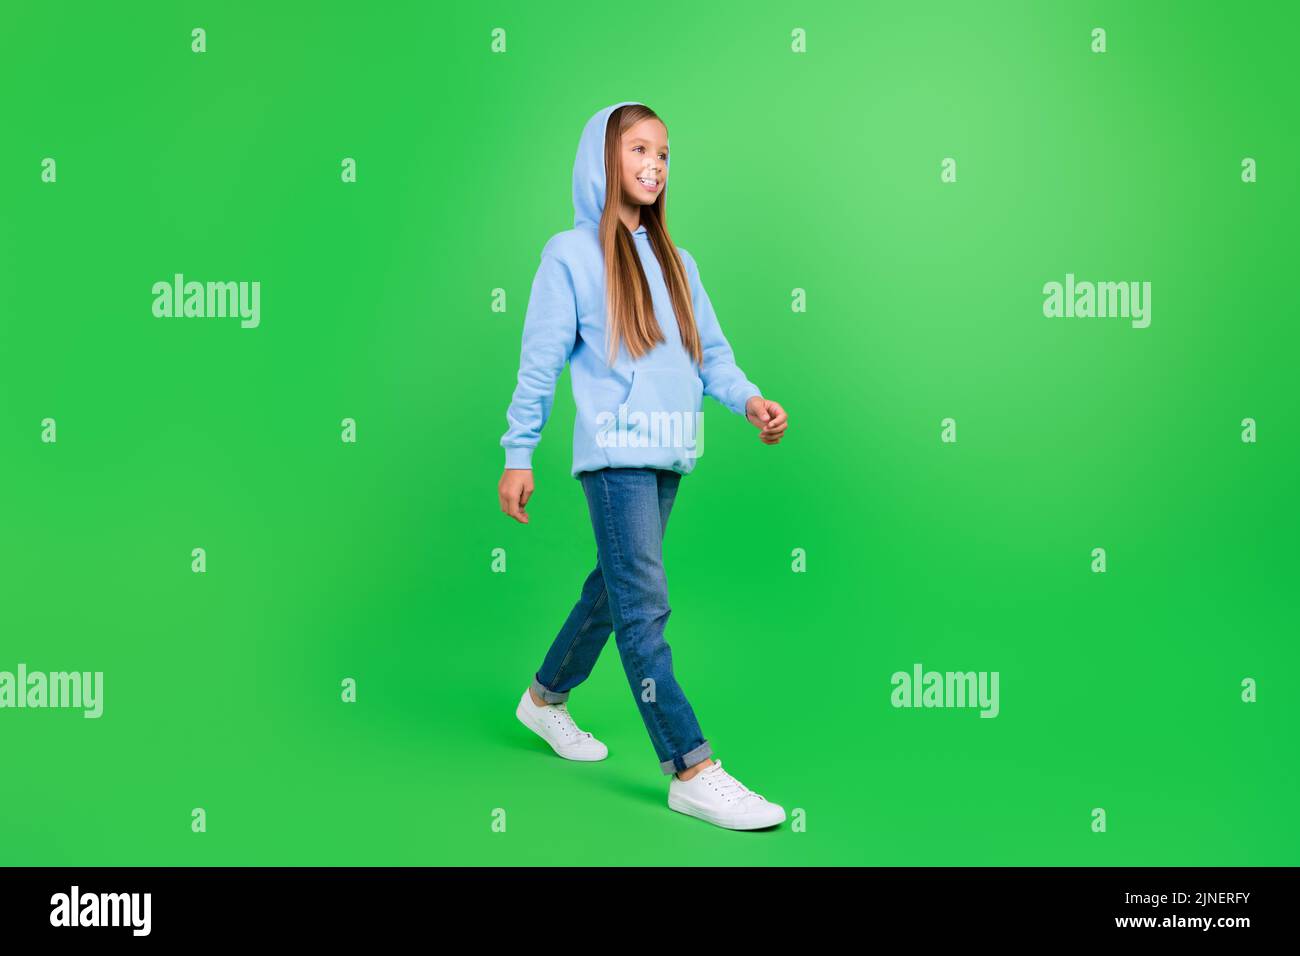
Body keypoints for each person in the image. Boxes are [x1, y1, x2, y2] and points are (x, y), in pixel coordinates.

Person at [497, 101, 789, 830]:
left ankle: (544, 699)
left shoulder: (677, 262)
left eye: (663, 154)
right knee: (644, 609)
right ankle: (691, 766)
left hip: (669, 452)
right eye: (638, 151)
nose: (654, 166)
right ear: (603, 158)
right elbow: (538, 364)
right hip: (616, 456)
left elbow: (709, 353)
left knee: (615, 588)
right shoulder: (568, 257)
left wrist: (748, 399)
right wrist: (517, 453)